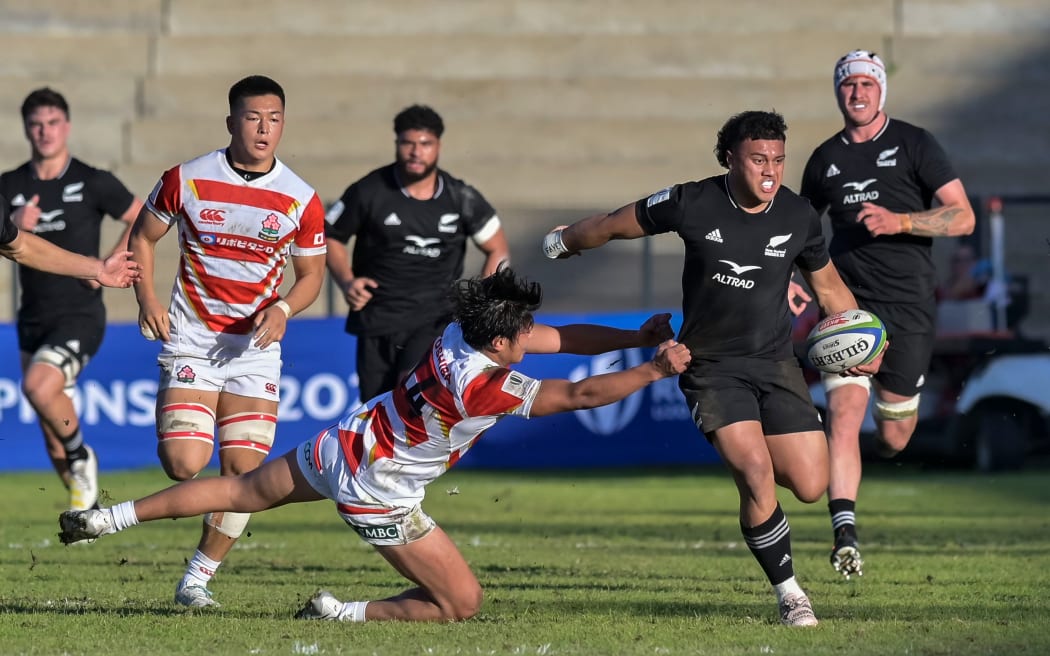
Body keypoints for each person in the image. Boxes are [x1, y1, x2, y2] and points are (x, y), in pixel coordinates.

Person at [58, 266, 691, 622]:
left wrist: (636, 337)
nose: (534, 333)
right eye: (524, 330)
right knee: (461, 604)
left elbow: (563, 339)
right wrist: (655, 370)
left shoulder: (460, 332)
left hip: (347, 442)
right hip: (379, 491)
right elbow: (579, 394)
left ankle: (106, 518)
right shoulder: (484, 387)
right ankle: (342, 612)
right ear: (500, 343)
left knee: (241, 490)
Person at [541, 110, 882, 627]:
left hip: (775, 364)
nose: (770, 171)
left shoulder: (799, 215)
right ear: (729, 159)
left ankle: (760, 496)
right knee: (755, 472)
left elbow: (831, 290)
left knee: (811, 484)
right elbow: (611, 225)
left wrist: (863, 343)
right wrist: (566, 241)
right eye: (758, 159)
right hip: (711, 367)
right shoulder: (692, 201)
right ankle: (790, 594)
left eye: (778, 160)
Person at [127, 75, 328, 608]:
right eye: (253, 117)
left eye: (274, 119)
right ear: (231, 122)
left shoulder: (301, 197)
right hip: (193, 339)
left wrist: (283, 308)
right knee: (184, 464)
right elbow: (142, 237)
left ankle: (196, 580)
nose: (264, 129)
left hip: (254, 351)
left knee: (244, 474)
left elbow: (312, 276)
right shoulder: (186, 178)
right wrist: (147, 298)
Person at [794, 50, 975, 580]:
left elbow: (963, 216)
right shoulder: (825, 159)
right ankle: (844, 533)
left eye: (866, 84)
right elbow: (799, 229)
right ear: (838, 92)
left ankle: (884, 444)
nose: (857, 93)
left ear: (880, 91)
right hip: (848, 305)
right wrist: (789, 279)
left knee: (895, 437)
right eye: (848, 85)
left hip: (909, 306)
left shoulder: (915, 143)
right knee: (844, 414)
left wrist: (901, 222)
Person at [0, 87, 144, 512]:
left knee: (38, 386)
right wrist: (13, 220)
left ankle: (83, 456)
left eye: (52, 123)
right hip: (33, 316)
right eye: (36, 124)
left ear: (67, 126)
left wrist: (110, 262)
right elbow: (12, 243)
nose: (45, 132)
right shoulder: (9, 185)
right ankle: (89, 514)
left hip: (79, 312)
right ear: (26, 129)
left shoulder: (92, 180)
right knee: (51, 433)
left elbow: (142, 216)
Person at [324, 104, 510, 401]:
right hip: (378, 316)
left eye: (425, 144)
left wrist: (483, 302)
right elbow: (330, 236)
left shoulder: (460, 197)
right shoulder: (369, 191)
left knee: (411, 393)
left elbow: (497, 248)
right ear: (397, 143)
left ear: (438, 146)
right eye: (407, 143)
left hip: (435, 318)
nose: (415, 152)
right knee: (376, 407)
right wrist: (347, 282)